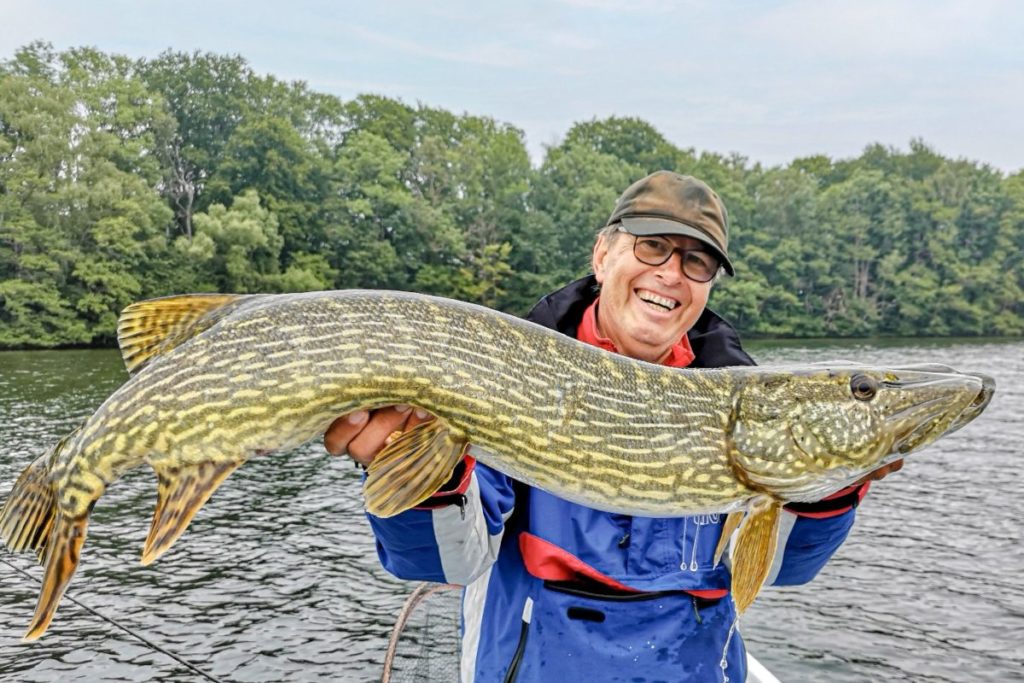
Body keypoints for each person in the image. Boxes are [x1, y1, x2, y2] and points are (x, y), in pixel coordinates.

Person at [324, 171, 902, 682]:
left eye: (697, 262)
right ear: (602, 255)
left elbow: (782, 569)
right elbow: (441, 563)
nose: (671, 274)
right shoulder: (505, 374)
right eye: (652, 246)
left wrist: (828, 487)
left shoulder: (743, 410)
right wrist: (424, 480)